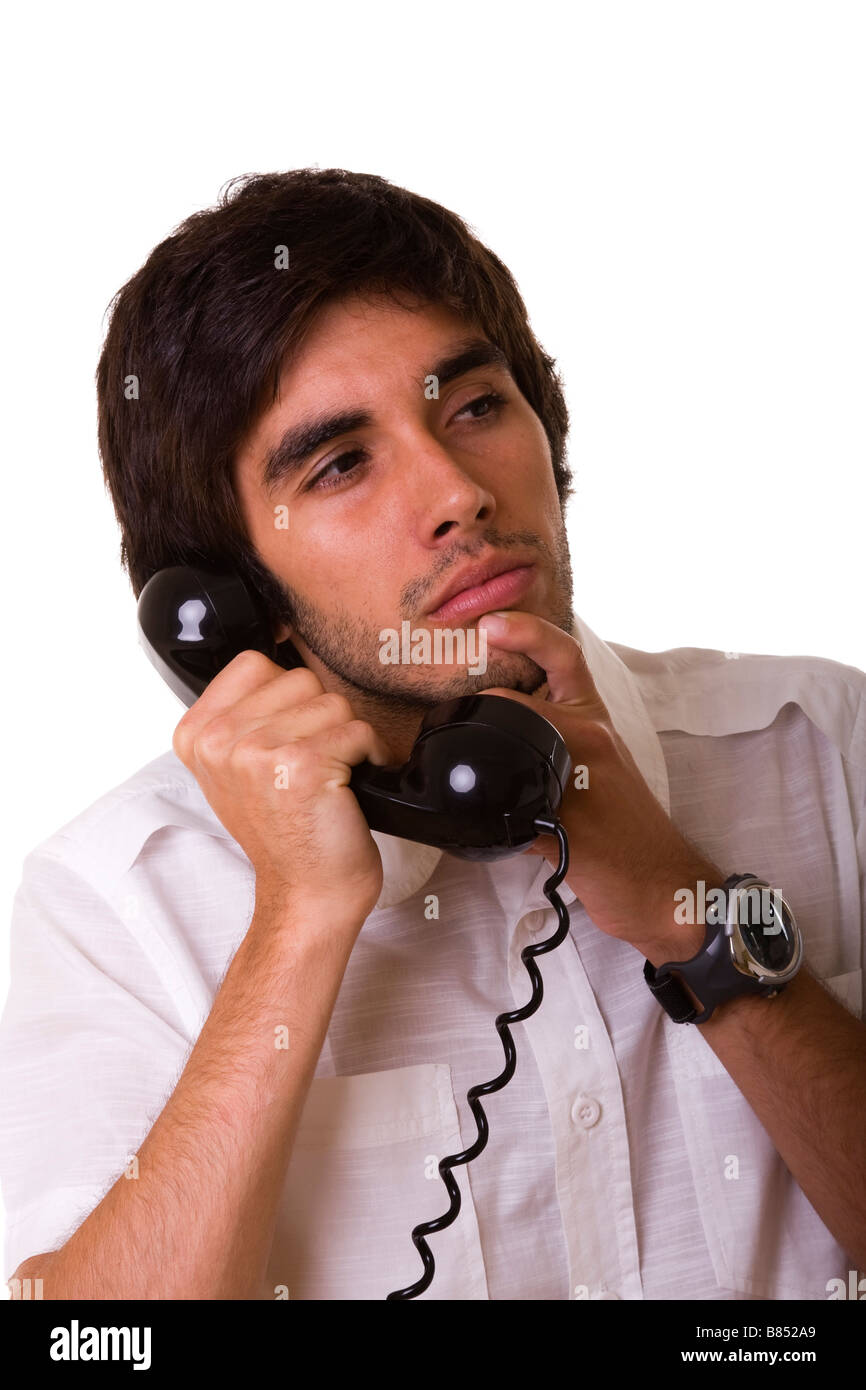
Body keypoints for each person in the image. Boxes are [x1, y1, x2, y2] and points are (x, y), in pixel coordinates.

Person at [2, 169, 865, 1302]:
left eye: (470, 407)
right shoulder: (117, 899)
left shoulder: (821, 744)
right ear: (224, 590)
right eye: (341, 464)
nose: (456, 491)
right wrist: (296, 919)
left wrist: (680, 906)